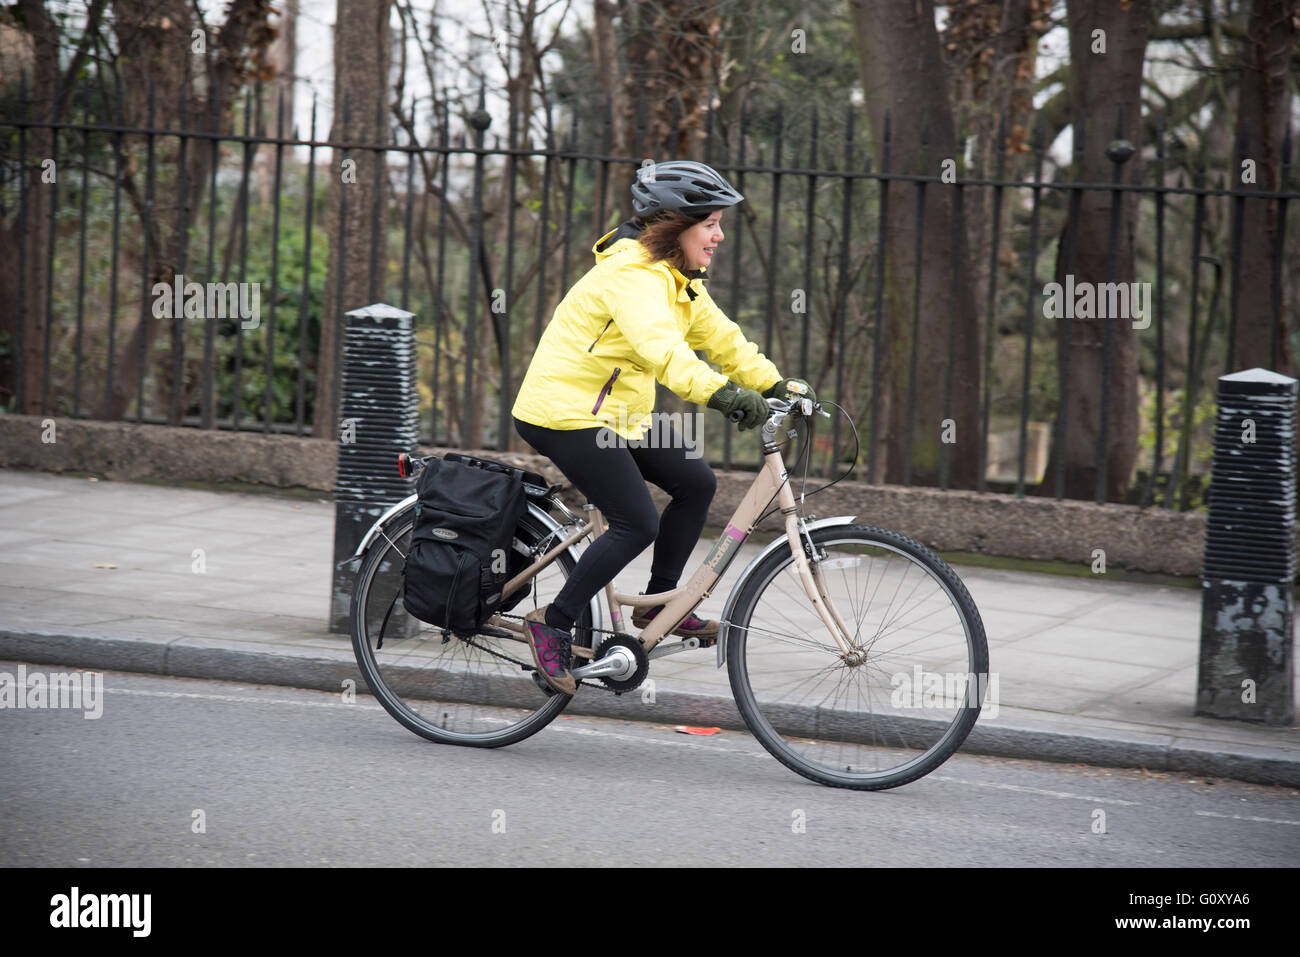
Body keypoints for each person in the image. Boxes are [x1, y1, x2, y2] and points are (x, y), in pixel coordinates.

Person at [511, 160, 814, 694]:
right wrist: (724, 395)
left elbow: (723, 339)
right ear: (676, 225)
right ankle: (552, 624)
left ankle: (660, 606)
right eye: (710, 224)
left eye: (720, 224)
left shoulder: (678, 280)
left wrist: (777, 385)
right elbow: (666, 353)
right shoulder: (630, 275)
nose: (719, 236)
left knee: (696, 481)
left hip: (619, 416)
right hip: (564, 412)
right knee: (636, 522)